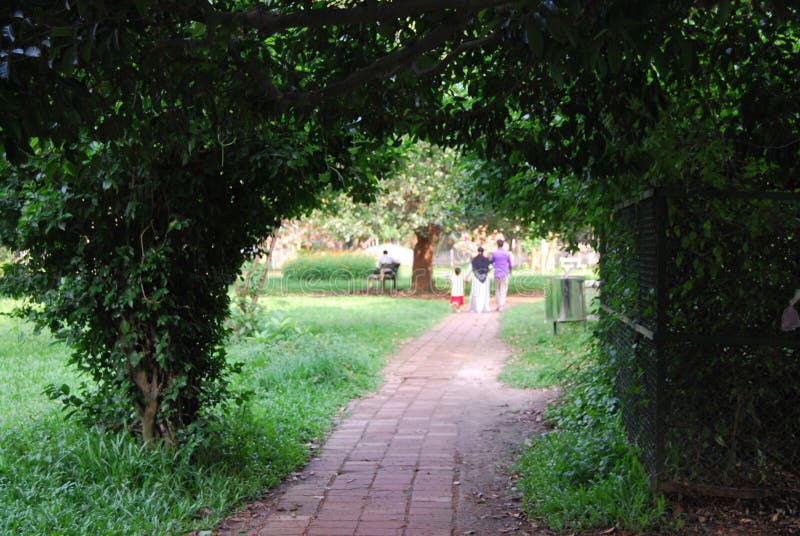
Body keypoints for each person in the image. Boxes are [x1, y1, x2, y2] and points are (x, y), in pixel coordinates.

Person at [467, 246, 492, 313]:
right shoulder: (487, 260)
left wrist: (466, 278)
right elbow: (490, 267)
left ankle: (476, 308)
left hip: (476, 278)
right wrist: (486, 271)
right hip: (485, 278)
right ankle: (485, 308)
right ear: (483, 251)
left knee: (476, 293)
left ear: (478, 251)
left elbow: (470, 269)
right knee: (485, 293)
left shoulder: (474, 260)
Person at [491, 238, 512, 311]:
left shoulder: (494, 253)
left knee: (497, 290)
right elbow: (510, 264)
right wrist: (510, 271)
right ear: (503, 244)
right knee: (503, 290)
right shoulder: (507, 253)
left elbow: (491, 261)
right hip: (505, 273)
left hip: (497, 273)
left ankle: (498, 305)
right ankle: (501, 306)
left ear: (497, 244)